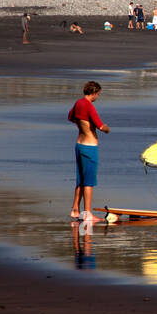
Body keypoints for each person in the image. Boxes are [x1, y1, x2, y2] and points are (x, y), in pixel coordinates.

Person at [69, 81, 109, 223]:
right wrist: (107, 129)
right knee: (89, 181)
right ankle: (87, 214)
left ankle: (75, 209)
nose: (97, 97)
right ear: (94, 93)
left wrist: (84, 126)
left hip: (79, 144)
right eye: (97, 94)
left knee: (80, 179)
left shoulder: (78, 103)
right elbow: (100, 126)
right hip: (89, 146)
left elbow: (71, 117)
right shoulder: (89, 106)